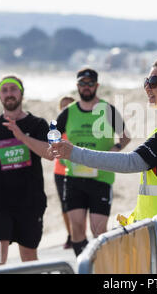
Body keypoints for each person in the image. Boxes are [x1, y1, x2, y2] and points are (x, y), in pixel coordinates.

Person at [50, 58, 157, 258]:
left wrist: (74, 153)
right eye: (146, 82)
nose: (147, 88)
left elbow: (131, 162)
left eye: (154, 82)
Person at [0, 75, 54, 266]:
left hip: (30, 202)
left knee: (29, 260)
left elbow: (50, 153)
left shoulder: (38, 124)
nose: (9, 94)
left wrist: (21, 136)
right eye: (4, 90)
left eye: (13, 89)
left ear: (21, 93)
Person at [55, 68, 131, 257]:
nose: (86, 87)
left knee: (98, 230)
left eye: (90, 84)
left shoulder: (107, 109)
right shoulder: (68, 112)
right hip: (73, 178)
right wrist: (59, 150)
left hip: (101, 177)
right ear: (77, 86)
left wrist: (116, 148)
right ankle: (84, 266)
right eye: (82, 83)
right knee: (77, 229)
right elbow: (52, 136)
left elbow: (126, 136)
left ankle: (99, 267)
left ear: (96, 86)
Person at [54, 96, 75, 249]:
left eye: (69, 106)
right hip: (60, 172)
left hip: (77, 171)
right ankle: (70, 235)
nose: (66, 109)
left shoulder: (78, 128)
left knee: (77, 204)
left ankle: (77, 233)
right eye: (63, 107)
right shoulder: (57, 128)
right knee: (64, 205)